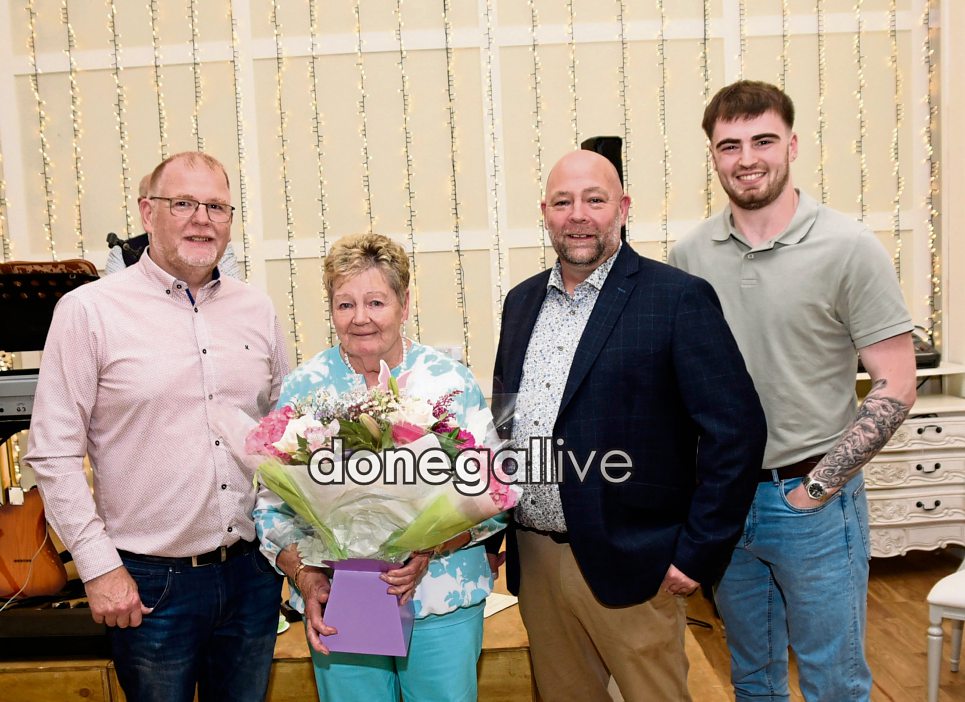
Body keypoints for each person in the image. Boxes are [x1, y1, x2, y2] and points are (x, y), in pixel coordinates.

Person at [487, 149, 767, 701]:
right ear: (545, 212)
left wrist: (696, 552)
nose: (578, 214)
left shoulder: (676, 298)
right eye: (563, 202)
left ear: (623, 208)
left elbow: (736, 432)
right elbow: (507, 422)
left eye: (595, 199)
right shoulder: (521, 303)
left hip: (636, 560)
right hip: (536, 557)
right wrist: (493, 524)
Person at [668, 80, 917, 701]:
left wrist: (818, 489)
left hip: (813, 502)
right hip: (726, 503)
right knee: (753, 680)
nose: (746, 158)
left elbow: (897, 384)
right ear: (713, 155)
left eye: (763, 140)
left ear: (793, 145)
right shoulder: (690, 255)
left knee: (834, 684)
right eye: (729, 145)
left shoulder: (850, 248)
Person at [25, 151, 289, 702]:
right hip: (148, 588)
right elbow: (52, 453)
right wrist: (98, 568)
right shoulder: (88, 311)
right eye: (183, 204)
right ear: (148, 213)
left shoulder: (257, 309)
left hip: (253, 576)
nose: (202, 220)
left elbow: (283, 433)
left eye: (216, 206)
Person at [254, 232, 506, 702]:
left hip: (440, 595)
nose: (361, 317)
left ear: (404, 304)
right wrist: (305, 575)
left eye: (376, 302)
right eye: (345, 304)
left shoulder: (448, 382)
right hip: (339, 599)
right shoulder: (303, 388)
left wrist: (430, 547)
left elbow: (493, 496)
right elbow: (271, 508)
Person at [106, 172, 242, 278]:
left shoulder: (215, 245)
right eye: (181, 203)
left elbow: (234, 293)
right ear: (146, 209)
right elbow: (114, 299)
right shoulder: (121, 252)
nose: (201, 219)